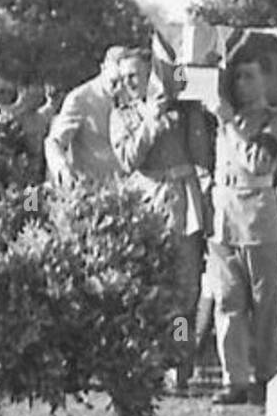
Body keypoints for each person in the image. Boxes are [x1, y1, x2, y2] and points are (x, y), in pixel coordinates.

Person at [107, 49, 209, 392]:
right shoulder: (122, 116)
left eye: (135, 76)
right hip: (148, 206)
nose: (129, 84)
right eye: (123, 78)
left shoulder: (183, 111)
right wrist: (150, 119)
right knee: (149, 290)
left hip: (184, 206)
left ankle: (180, 362)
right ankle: (150, 360)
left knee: (186, 291)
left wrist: (189, 108)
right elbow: (127, 160)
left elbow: (202, 152)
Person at [207, 52, 277, 405]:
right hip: (223, 219)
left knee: (264, 304)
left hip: (258, 219)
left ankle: (264, 374)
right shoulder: (224, 118)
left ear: (266, 81)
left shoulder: (275, 121)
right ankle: (234, 378)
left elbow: (259, 163)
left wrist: (231, 126)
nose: (242, 84)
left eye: (249, 77)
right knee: (227, 300)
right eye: (237, 77)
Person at [44, 47, 134, 183]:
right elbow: (54, 142)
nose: (120, 88)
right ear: (103, 69)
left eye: (125, 80)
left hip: (130, 186)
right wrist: (62, 169)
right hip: (93, 187)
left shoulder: (134, 95)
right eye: (114, 82)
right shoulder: (81, 99)